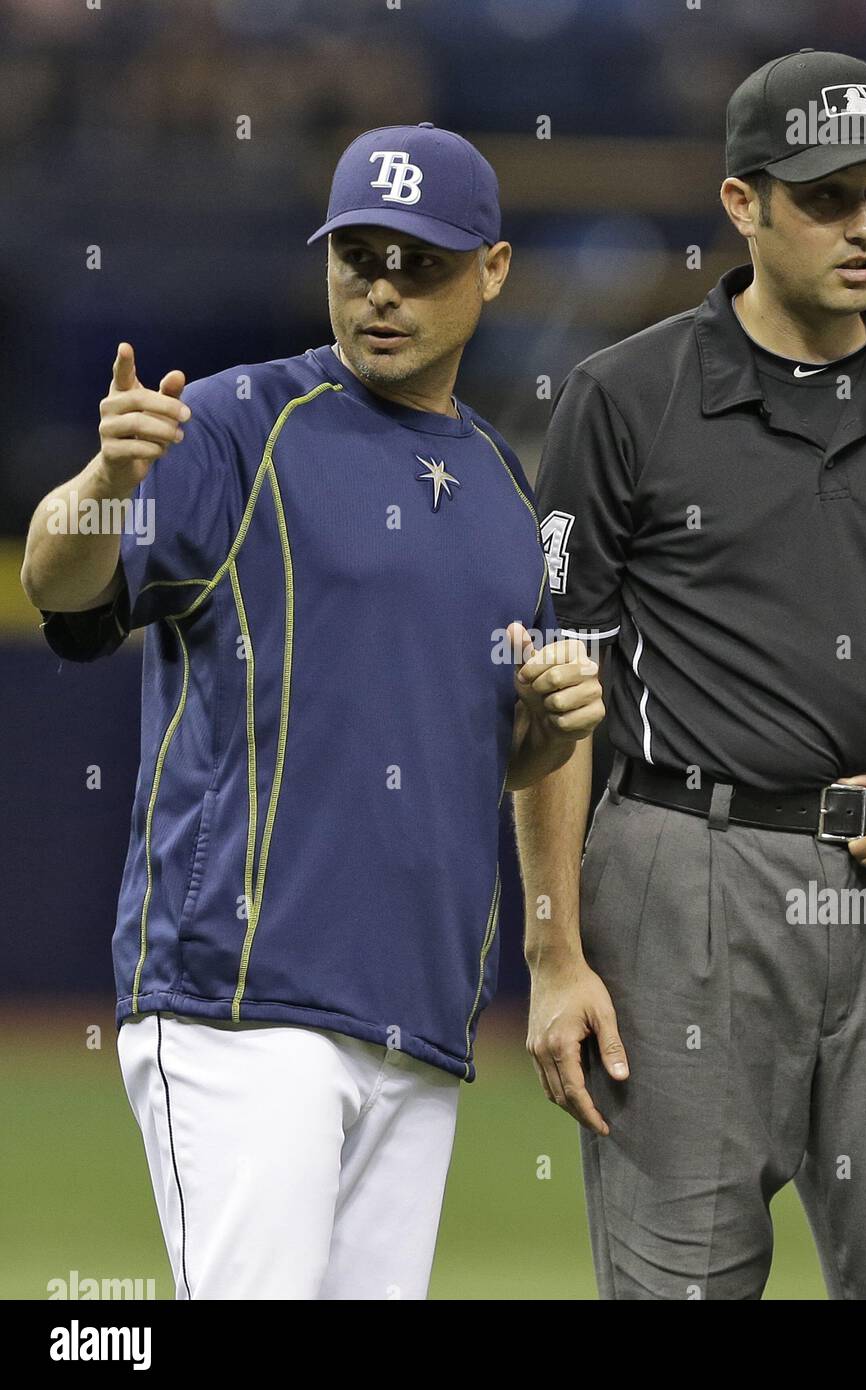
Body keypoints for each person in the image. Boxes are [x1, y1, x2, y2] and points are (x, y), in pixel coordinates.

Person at [514, 51, 866, 1299]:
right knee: (680, 1286)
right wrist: (555, 953)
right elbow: (557, 701)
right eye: (823, 196)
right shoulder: (623, 396)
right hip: (681, 872)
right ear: (741, 204)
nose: (859, 224)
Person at [21, 122, 603, 1300]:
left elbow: (486, 755)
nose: (383, 289)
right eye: (359, 257)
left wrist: (550, 725)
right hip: (240, 1001)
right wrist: (101, 484)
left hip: (418, 1018)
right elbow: (59, 590)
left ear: (491, 271)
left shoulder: (502, 491)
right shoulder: (238, 424)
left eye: (419, 262)